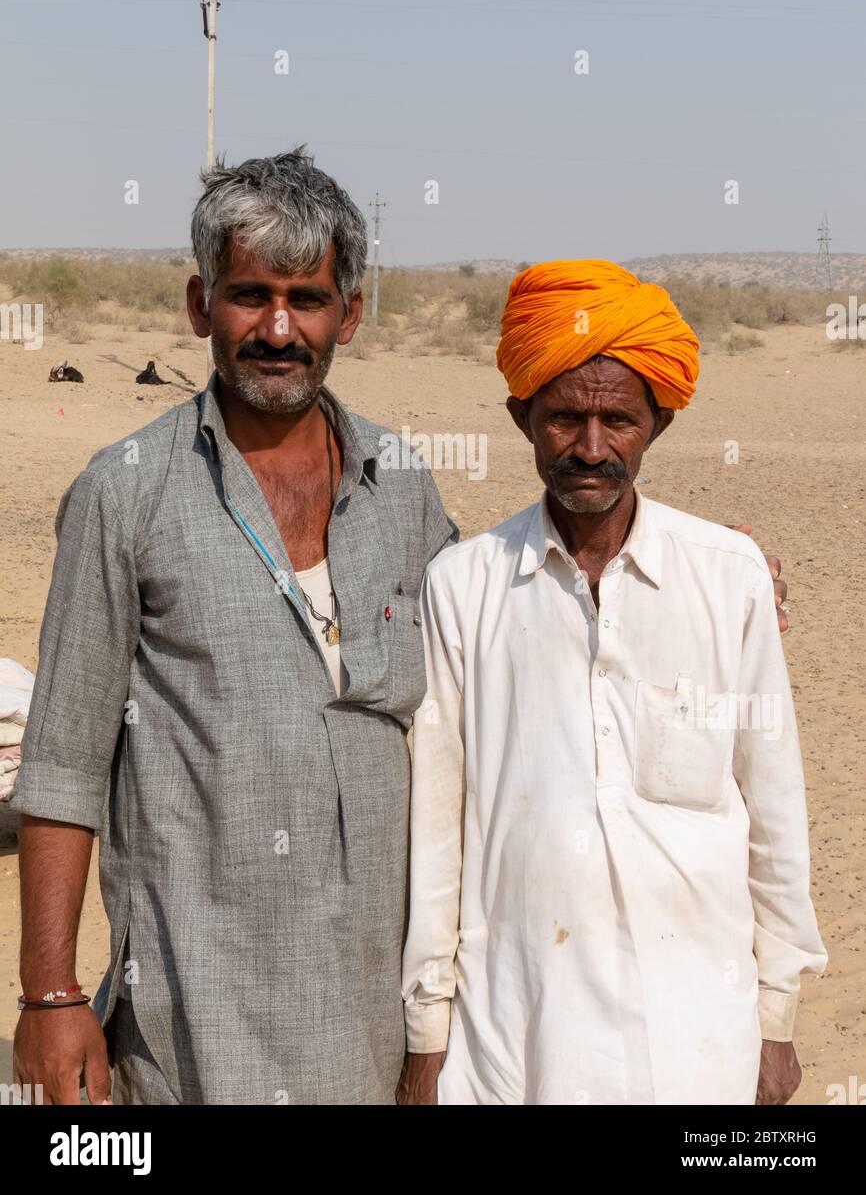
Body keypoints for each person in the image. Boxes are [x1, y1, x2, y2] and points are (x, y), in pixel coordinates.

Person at [12, 148, 455, 1105]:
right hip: (193, 1011)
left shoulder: (405, 486)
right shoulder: (123, 493)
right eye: (250, 295)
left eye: (309, 296)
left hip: (377, 1008)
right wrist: (49, 993)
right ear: (199, 305)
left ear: (352, 312)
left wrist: (720, 570)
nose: (279, 328)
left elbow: (495, 635)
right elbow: (63, 760)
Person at [400, 259, 826, 1106]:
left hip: (701, 1033)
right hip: (516, 1030)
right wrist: (427, 1037)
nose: (591, 448)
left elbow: (773, 809)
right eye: (564, 417)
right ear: (522, 416)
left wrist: (776, 1019)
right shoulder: (462, 585)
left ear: (657, 424)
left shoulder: (728, 575)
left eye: (618, 420)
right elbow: (437, 830)